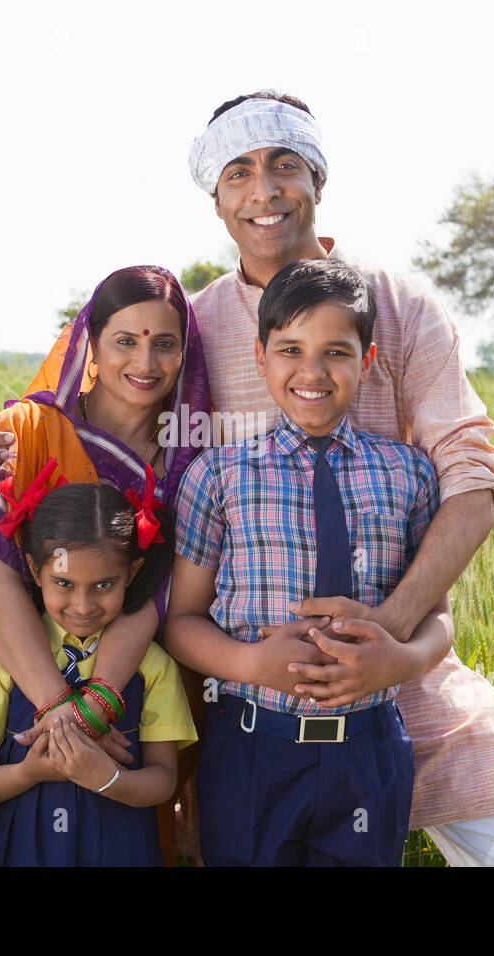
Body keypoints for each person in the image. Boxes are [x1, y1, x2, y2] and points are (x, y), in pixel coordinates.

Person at [0, 92, 494, 866]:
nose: (265, 190)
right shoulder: (198, 323)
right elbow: (101, 441)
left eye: (286, 166)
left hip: (405, 681)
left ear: (317, 179)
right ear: (215, 200)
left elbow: (473, 478)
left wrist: (388, 631)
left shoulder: (400, 305)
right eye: (239, 173)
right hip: (241, 705)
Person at [0, 265, 213, 864]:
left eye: (164, 342)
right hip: (15, 683)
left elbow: (154, 598)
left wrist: (97, 702)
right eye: (125, 340)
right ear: (89, 343)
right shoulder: (25, 432)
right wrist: (57, 710)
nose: (145, 360)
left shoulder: (190, 460)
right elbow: (3, 584)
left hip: (129, 694)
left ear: (184, 354)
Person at [166, 258, 451, 865]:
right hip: (249, 751)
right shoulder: (218, 476)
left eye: (336, 352)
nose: (312, 372)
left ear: (367, 361)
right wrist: (250, 663)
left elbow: (440, 618)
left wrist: (400, 660)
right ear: (260, 357)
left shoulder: (408, 473)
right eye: (290, 349)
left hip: (368, 754)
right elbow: (180, 621)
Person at [0, 480, 197, 866]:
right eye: (64, 583)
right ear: (33, 568)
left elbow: (163, 780)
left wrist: (106, 778)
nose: (83, 604)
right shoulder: (1, 663)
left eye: (103, 585)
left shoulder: (152, 666)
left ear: (133, 572)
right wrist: (30, 773)